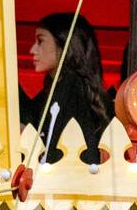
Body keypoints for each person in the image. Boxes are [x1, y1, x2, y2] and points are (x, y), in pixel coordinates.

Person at [23, 12, 113, 164]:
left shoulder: (74, 89)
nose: (33, 50)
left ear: (64, 44)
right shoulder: (53, 90)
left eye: (40, 41)